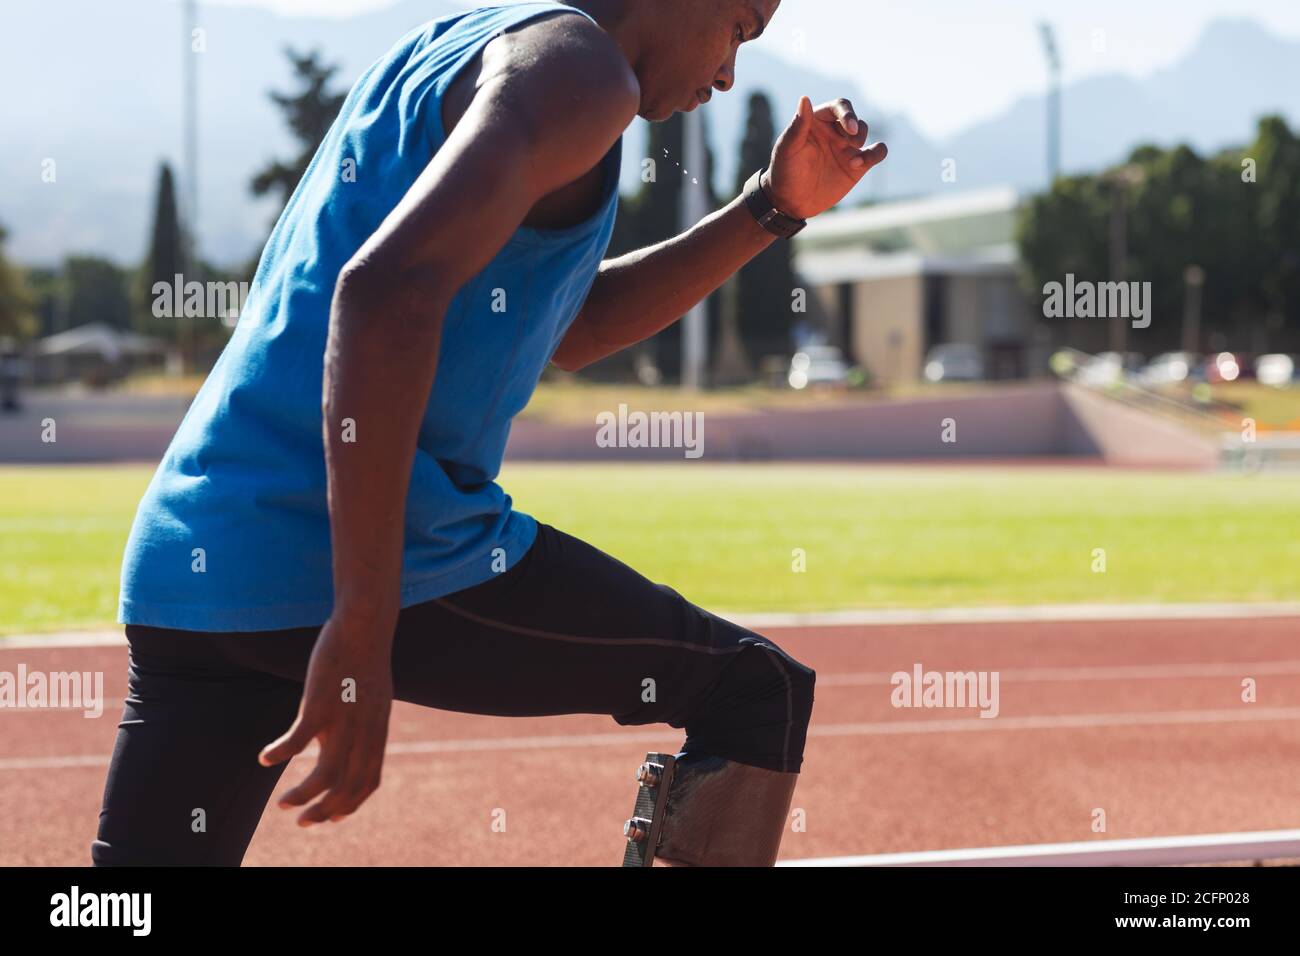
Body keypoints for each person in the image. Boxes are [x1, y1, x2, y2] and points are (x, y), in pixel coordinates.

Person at [95, 0, 887, 867]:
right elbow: (384, 294)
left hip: (199, 553)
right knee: (755, 691)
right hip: (366, 557)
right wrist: (361, 622)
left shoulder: (474, 44)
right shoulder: (582, 72)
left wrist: (770, 208)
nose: (730, 73)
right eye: (739, 27)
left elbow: (572, 327)